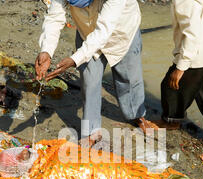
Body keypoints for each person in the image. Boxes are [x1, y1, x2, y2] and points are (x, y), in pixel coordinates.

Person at [35, 0, 157, 146]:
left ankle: (137, 116)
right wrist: (46, 50)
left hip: (122, 34)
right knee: (89, 82)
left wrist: (74, 59)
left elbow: (103, 31)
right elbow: (54, 18)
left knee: (129, 79)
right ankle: (92, 132)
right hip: (86, 33)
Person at [154, 0, 203, 162]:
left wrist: (181, 67)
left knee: (171, 86)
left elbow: (192, 34)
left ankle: (171, 121)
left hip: (199, 56)